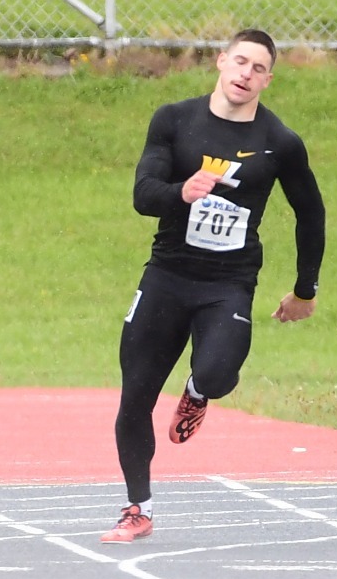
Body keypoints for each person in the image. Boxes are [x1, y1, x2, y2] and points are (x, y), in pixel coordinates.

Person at [103, 30, 325, 544]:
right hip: (166, 277)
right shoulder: (174, 120)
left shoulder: (280, 142)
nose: (246, 74)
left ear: (269, 79)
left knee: (219, 373)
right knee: (135, 395)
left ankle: (198, 393)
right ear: (221, 62)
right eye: (240, 62)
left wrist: (305, 290)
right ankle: (137, 507)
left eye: (258, 68)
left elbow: (310, 214)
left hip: (227, 283)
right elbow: (143, 195)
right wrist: (182, 190)